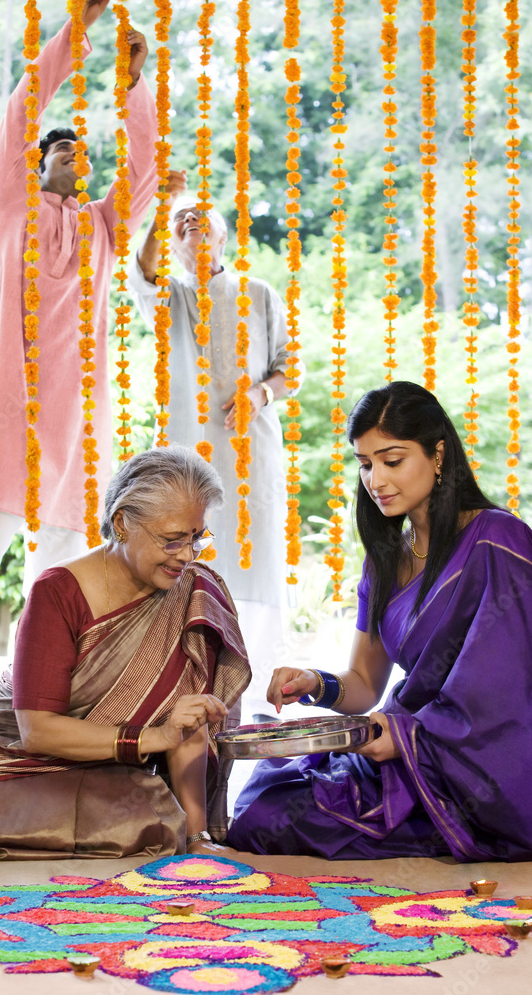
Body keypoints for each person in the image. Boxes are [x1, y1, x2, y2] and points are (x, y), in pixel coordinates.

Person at [227, 381, 532, 861]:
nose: (376, 480)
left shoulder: (499, 540)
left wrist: (409, 739)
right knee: (265, 804)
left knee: (295, 822)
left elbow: (510, 693)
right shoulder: (384, 561)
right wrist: (314, 683)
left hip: (489, 764)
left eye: (392, 460)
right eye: (365, 464)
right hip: (408, 744)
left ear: (437, 454)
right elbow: (364, 683)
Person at [0, 0, 159, 731]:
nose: (73, 154)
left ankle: (30, 729)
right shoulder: (10, 206)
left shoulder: (103, 229)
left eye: (83, 153)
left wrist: (133, 85)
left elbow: (145, 170)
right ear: (34, 163)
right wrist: (76, 32)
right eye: (61, 150)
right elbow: (21, 110)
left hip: (69, 448)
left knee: (53, 604)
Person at [0, 448, 251, 859]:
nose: (186, 554)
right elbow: (38, 731)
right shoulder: (57, 591)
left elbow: (190, 724)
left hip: (110, 764)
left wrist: (198, 839)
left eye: (197, 538)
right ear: (122, 524)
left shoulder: (195, 593)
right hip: (7, 753)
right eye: (172, 540)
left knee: (154, 822)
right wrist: (153, 738)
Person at [128, 172, 302, 719]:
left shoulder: (259, 293)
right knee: (189, 560)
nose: (190, 221)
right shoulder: (169, 296)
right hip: (188, 461)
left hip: (252, 457)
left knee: (258, 561)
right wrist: (163, 203)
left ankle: (265, 704)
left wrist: (258, 394)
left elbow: (290, 369)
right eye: (179, 221)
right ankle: (191, 699)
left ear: (223, 237)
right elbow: (144, 269)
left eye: (201, 217)